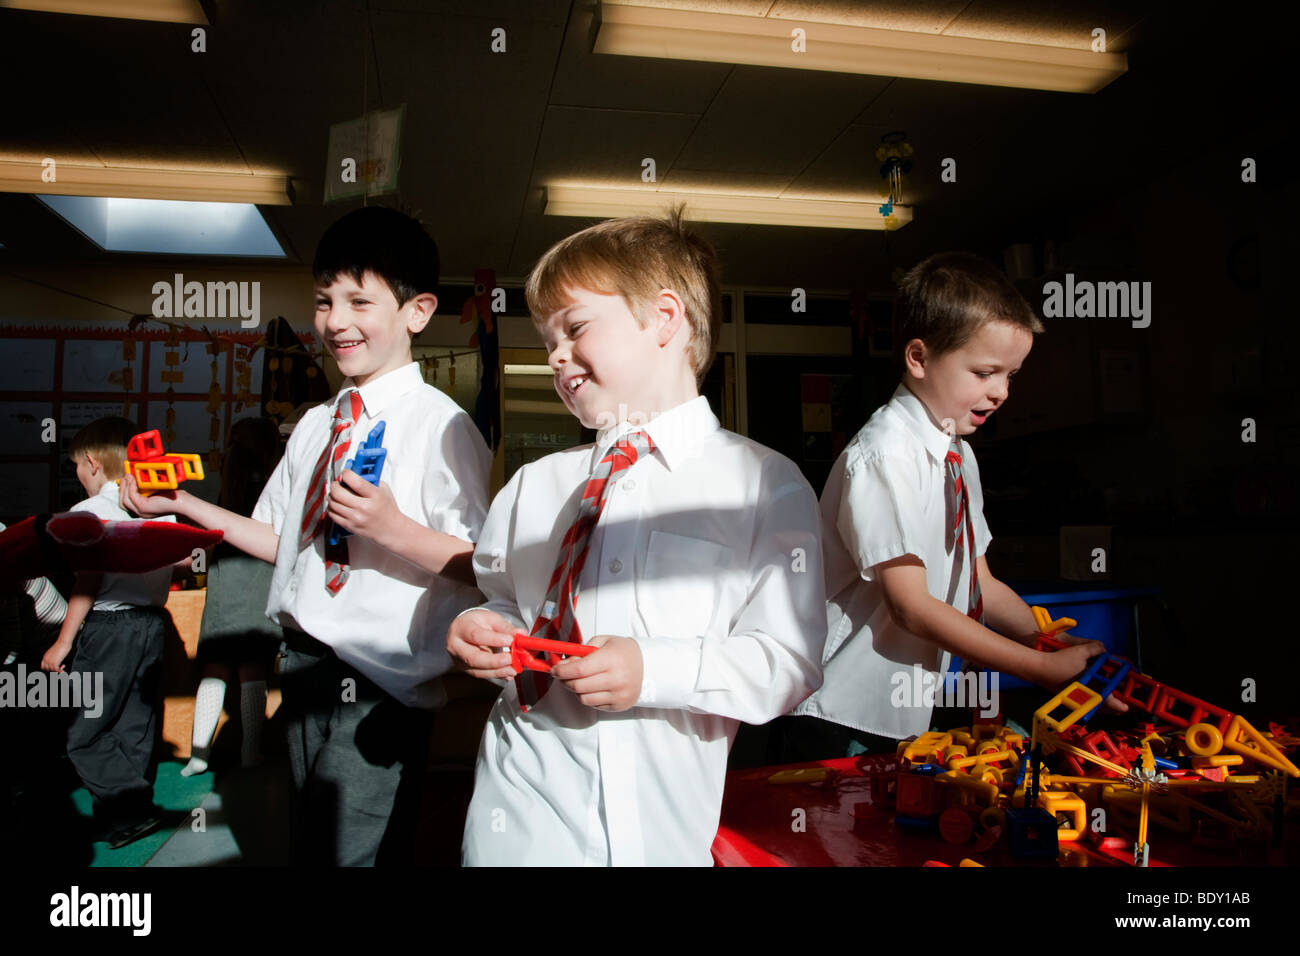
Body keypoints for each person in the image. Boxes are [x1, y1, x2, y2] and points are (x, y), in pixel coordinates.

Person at [447, 209, 826, 866]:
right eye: (547, 340)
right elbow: (510, 601)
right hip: (518, 824)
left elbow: (789, 663)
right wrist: (484, 626)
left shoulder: (765, 484)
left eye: (575, 327)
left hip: (661, 835)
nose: (556, 354)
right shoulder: (533, 488)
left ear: (664, 319)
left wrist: (656, 668)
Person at [122, 206, 492, 865]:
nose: (336, 321)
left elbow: (481, 565)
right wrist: (179, 504)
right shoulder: (316, 425)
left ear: (418, 311)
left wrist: (393, 528)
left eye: (359, 300)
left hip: (382, 686)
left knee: (357, 853)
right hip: (300, 664)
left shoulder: (442, 427)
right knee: (310, 846)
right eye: (325, 301)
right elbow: (278, 539)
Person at [786, 252, 1120, 759]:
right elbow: (911, 606)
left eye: (1011, 375)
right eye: (985, 372)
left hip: (903, 711)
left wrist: (1050, 646)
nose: (1002, 392)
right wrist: (1038, 670)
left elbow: (979, 582)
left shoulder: (957, 455)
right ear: (918, 358)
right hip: (839, 713)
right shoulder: (884, 456)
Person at [40, 416, 174, 849]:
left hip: (108, 627)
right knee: (133, 726)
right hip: (151, 626)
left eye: (76, 464)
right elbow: (183, 565)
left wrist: (63, 642)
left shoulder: (90, 512)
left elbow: (88, 580)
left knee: (81, 734)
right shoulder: (157, 507)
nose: (76, 473)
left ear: (93, 463)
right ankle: (123, 818)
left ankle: (132, 810)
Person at [181, 416, 284, 777]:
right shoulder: (272, 483)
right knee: (252, 667)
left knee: (216, 665)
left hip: (225, 579)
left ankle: (199, 754)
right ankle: (250, 752)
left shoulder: (231, 484)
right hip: (262, 578)